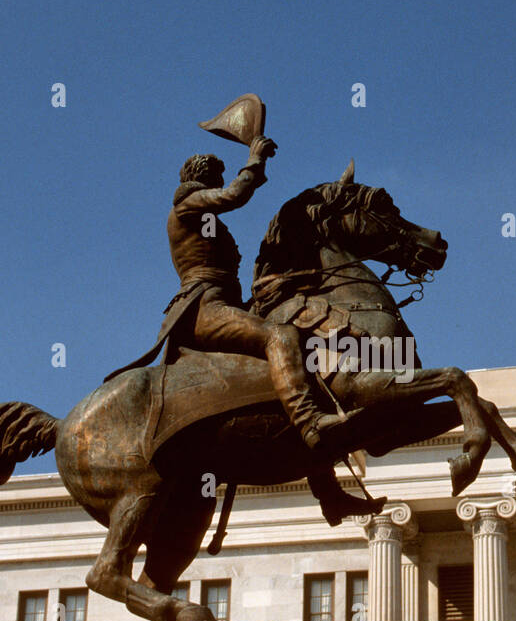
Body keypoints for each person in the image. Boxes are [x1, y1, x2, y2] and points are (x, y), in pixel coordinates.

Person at [110, 137, 384, 525]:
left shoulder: (205, 218)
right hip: (203, 308)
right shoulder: (187, 205)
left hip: (229, 304)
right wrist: (254, 160)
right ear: (202, 178)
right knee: (280, 337)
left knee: (299, 356)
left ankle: (330, 493)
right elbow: (234, 196)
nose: (219, 182)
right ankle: (309, 421)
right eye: (215, 176)